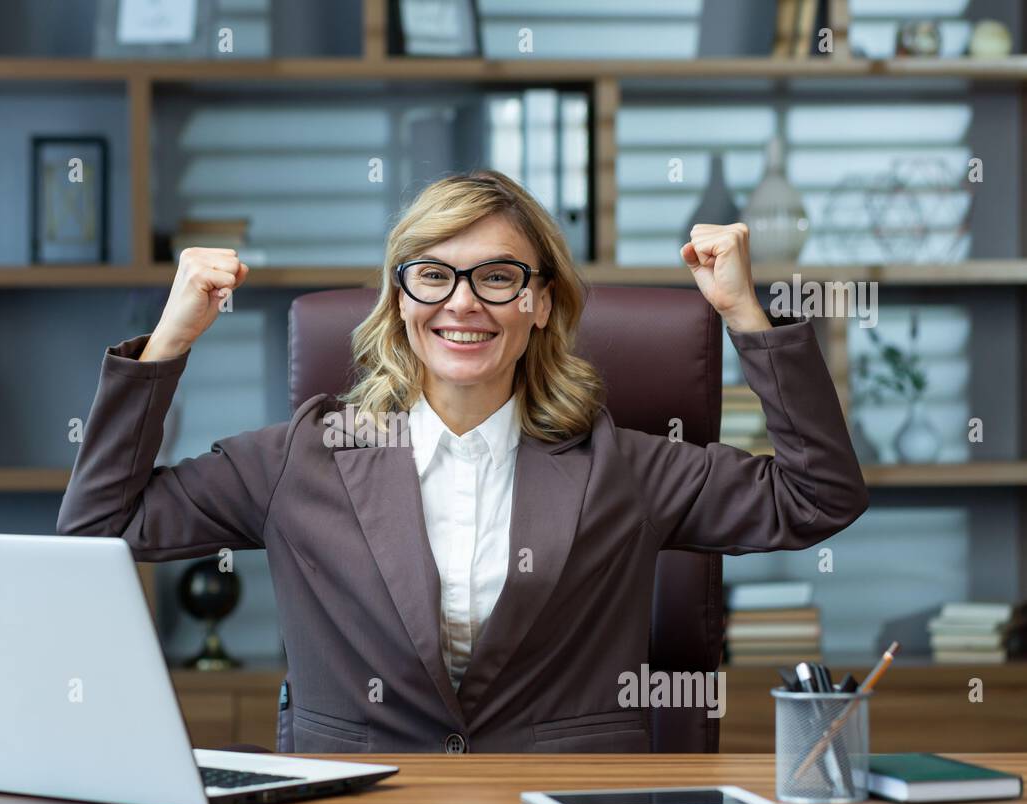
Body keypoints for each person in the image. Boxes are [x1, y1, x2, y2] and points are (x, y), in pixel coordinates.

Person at [57, 169, 868, 754]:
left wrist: (743, 314)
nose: (463, 302)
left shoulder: (621, 466)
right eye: (434, 276)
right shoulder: (306, 454)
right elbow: (102, 522)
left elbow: (818, 497)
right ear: (401, 298)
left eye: (498, 277)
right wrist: (168, 343)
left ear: (540, 303)